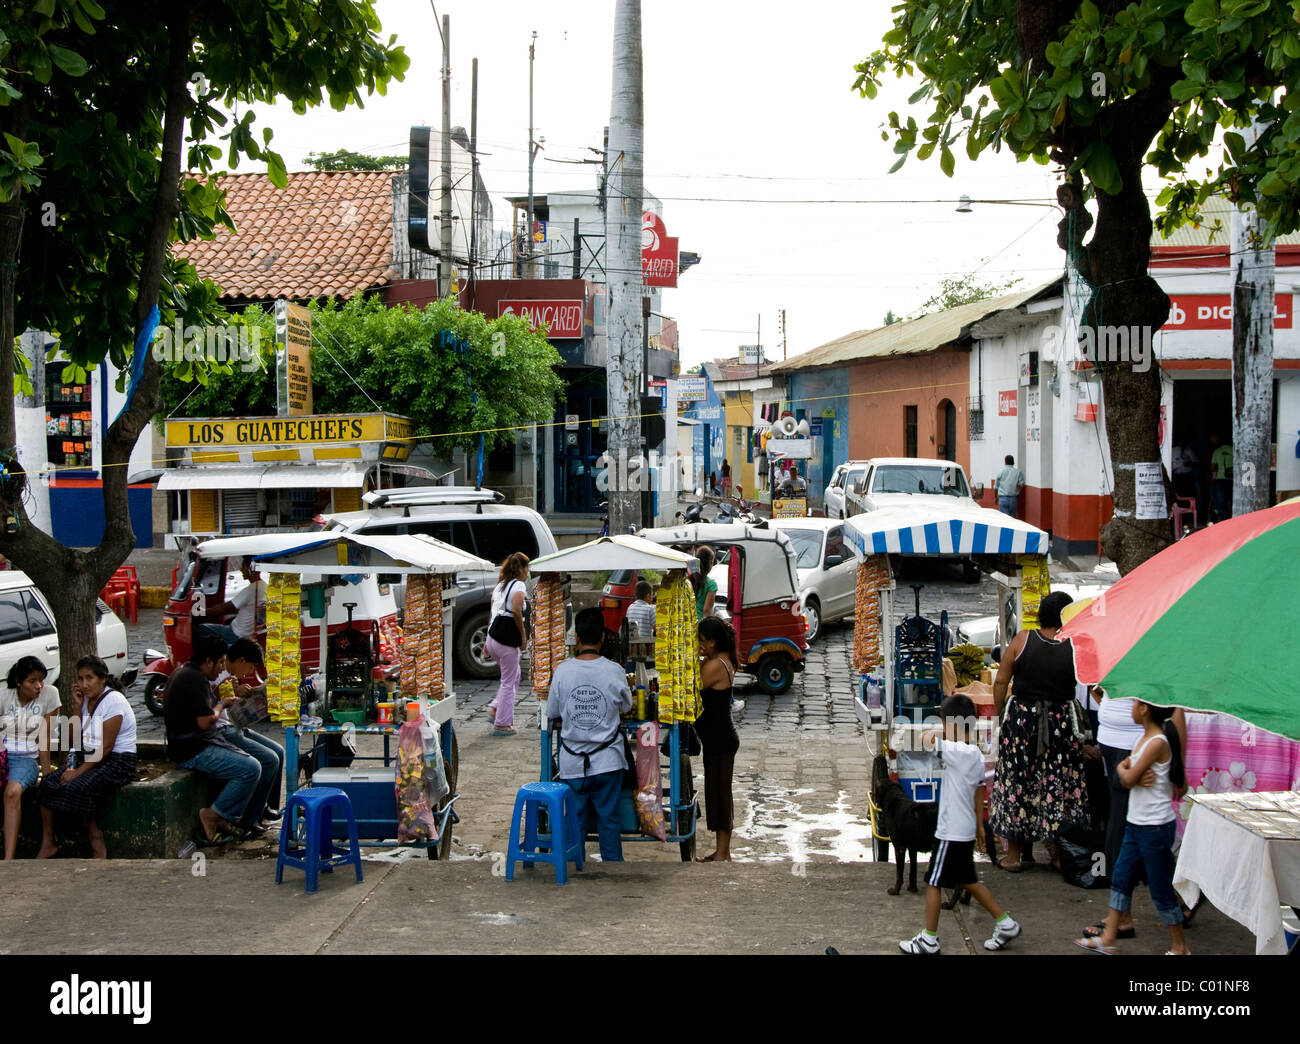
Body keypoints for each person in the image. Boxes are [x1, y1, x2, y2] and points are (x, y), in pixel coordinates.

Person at [900, 695, 1022, 954]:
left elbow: (921, 741)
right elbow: (979, 792)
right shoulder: (976, 754)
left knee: (933, 881)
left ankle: (929, 939)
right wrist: (980, 826)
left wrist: (937, 730)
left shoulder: (957, 751)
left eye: (945, 723)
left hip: (951, 831)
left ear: (953, 724)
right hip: (965, 829)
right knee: (968, 881)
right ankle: (1005, 922)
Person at [1076, 699, 1189, 955]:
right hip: (1137, 824)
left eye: (1136, 703)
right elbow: (1129, 775)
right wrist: (1126, 770)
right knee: (1120, 877)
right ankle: (1109, 936)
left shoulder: (1156, 742)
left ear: (1145, 710)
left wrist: (1123, 768)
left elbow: (1127, 779)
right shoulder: (1145, 738)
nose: (1131, 708)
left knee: (1160, 887)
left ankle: (1180, 946)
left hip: (1154, 827)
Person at [989, 590, 1090, 872]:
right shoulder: (1074, 645)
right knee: (1058, 785)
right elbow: (1092, 684)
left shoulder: (1022, 640)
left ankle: (1014, 857)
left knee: (1017, 783)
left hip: (1021, 722)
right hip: (1060, 724)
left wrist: (1002, 713)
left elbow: (1001, 682)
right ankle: (1059, 855)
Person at [545, 607, 633, 862]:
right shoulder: (614, 670)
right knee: (609, 821)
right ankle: (614, 872)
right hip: (608, 761)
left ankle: (573, 870)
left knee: (575, 822)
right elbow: (626, 706)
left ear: (577, 638)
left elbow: (552, 711)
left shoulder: (562, 671)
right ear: (603, 638)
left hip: (573, 763)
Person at [163, 636, 267, 843]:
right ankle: (213, 815)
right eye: (220, 663)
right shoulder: (195, 678)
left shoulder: (186, 672)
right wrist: (222, 704)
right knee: (251, 768)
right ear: (208, 661)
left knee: (253, 760)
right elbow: (205, 721)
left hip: (191, 743)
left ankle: (223, 816)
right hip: (192, 749)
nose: (222, 669)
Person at [34, 655, 137, 859]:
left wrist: (77, 772)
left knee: (78, 786)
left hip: (118, 761)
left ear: (102, 679)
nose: (84, 684)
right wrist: (76, 707)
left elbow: (106, 748)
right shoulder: (85, 700)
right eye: (80, 679)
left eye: (89, 678)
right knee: (46, 785)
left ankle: (96, 841)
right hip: (89, 757)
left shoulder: (114, 701)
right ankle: (48, 843)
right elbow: (71, 741)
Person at [220, 638, 284, 824]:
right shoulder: (218, 672)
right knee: (269, 760)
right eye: (250, 667)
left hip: (235, 724)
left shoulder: (230, 674)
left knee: (278, 751)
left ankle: (266, 806)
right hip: (224, 728)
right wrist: (232, 691)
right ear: (241, 660)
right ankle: (251, 817)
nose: (250, 672)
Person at [2, 656, 60, 860]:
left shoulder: (49, 695)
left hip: (26, 759)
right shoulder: (4, 696)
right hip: (3, 755)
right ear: (19, 681)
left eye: (41, 680)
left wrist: (46, 774)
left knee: (12, 792)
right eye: (32, 681)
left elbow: (43, 738)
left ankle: (8, 859)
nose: (38, 686)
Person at [695, 616, 740, 862]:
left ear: (713, 641)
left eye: (703, 641)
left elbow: (693, 686)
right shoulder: (720, 659)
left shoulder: (714, 666)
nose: (701, 646)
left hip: (721, 739)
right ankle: (721, 851)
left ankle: (723, 854)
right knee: (718, 793)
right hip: (718, 738)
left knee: (720, 795)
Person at [485, 552, 530, 737]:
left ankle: (497, 707)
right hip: (506, 640)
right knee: (508, 681)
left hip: (493, 637)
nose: (528, 572)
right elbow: (517, 611)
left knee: (514, 675)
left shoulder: (500, 586)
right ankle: (502, 723)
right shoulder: (519, 586)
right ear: (521, 569)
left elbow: (492, 613)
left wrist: (487, 643)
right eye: (527, 568)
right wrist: (523, 636)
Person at [200, 557, 264, 645]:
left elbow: (221, 609)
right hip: (246, 633)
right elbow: (234, 608)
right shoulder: (263, 586)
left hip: (235, 633)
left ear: (251, 569)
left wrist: (201, 612)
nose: (241, 570)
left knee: (200, 629)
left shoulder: (252, 589)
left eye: (243, 567)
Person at [1209, 432, 1233, 522]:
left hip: (1221, 478)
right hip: (1232, 479)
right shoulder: (1233, 449)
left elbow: (1213, 467)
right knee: (1231, 501)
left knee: (1221, 502)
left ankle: (1223, 521)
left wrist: (1213, 477)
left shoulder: (1217, 451)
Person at [692, 546, 718, 620]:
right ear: (710, 563)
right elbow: (706, 611)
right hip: (698, 624)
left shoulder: (688, 579)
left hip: (683, 622)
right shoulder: (711, 584)